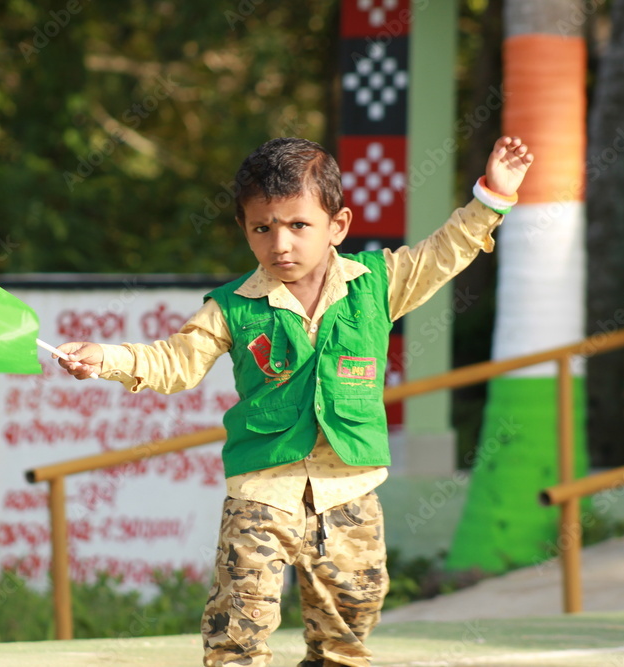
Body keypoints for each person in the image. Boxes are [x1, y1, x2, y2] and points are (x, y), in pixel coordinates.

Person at [54, 135, 533, 667]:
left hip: (349, 487)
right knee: (238, 625)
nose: (280, 244)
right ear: (245, 229)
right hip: (262, 490)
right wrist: (107, 358)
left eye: (298, 226)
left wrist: (493, 196)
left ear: (339, 226)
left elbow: (444, 253)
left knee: (350, 626)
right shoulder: (230, 307)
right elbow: (175, 361)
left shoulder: (377, 284)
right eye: (263, 228)